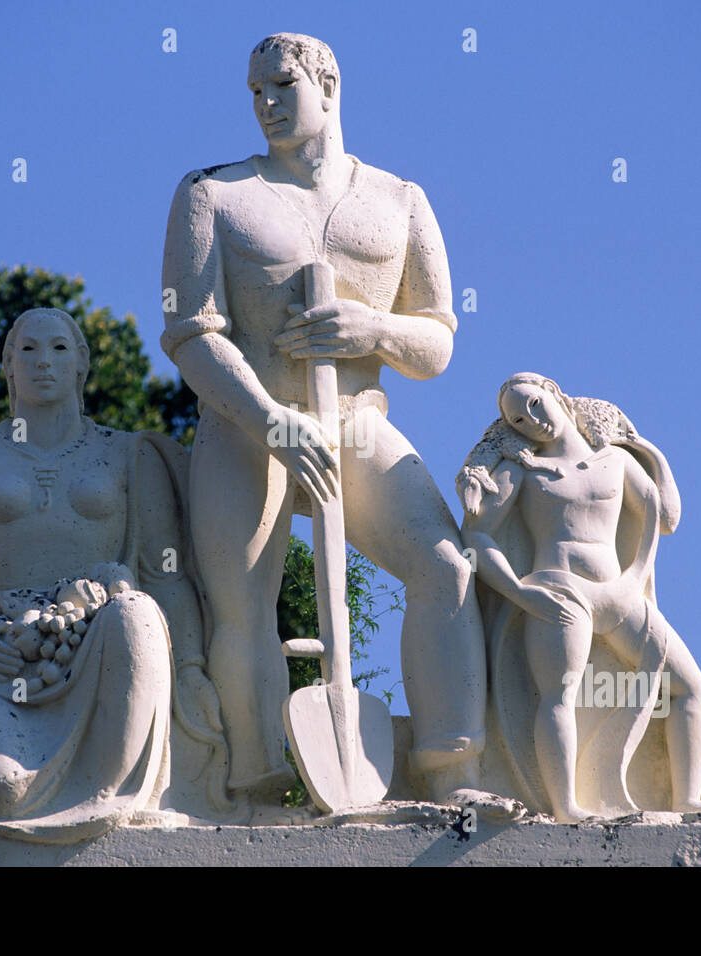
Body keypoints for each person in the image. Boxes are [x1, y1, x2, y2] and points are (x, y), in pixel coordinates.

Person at [161, 33, 499, 814]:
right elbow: (189, 331)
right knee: (242, 603)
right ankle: (253, 781)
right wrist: (271, 421)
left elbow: (438, 340)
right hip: (249, 426)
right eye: (254, 93)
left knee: (444, 566)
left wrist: (371, 331)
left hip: (354, 422)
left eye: (281, 86)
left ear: (328, 84)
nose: (265, 105)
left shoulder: (398, 199)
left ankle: (452, 769)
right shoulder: (213, 193)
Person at [0, 307, 228, 842]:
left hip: (101, 654)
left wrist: (189, 668)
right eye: (27, 349)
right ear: (7, 366)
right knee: (3, 788)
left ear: (82, 365)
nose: (42, 362)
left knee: (138, 612)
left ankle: (109, 800)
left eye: (58, 348)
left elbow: (165, 577)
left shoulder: (127, 455)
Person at [458, 372, 701, 821]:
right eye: (518, 419)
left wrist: (647, 451)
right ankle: (566, 807)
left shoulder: (614, 461)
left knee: (691, 688)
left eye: (536, 404)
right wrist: (520, 592)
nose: (533, 420)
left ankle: (688, 800)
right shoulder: (520, 470)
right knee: (558, 694)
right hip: (559, 594)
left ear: (556, 394)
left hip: (621, 594)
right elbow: (476, 535)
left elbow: (666, 517)